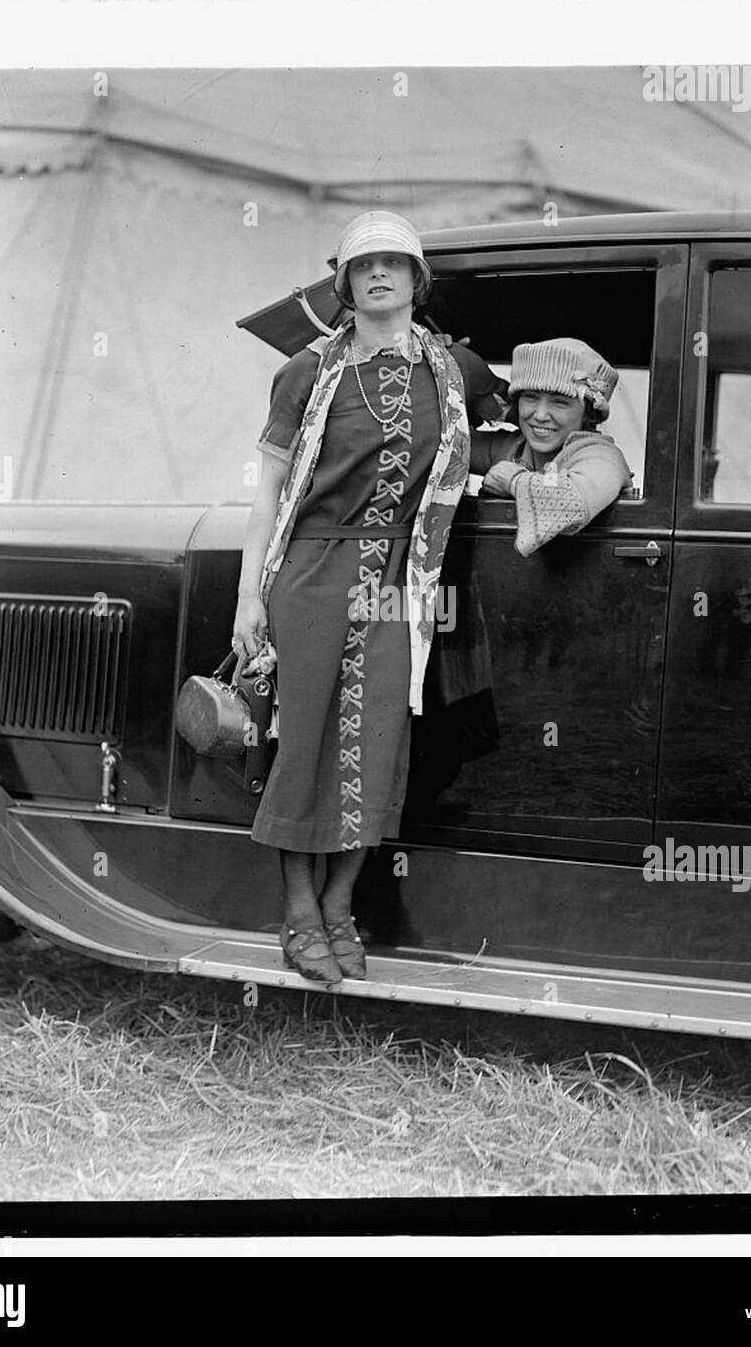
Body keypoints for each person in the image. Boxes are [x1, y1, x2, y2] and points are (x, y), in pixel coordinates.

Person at [233, 211, 507, 985]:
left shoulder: (456, 371)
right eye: (363, 266)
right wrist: (249, 599)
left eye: (394, 263)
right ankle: (299, 915)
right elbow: (269, 495)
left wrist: (552, 469)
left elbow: (521, 430)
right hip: (311, 573)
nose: (379, 275)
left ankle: (342, 906)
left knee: (378, 744)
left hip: (398, 580)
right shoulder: (307, 373)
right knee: (305, 743)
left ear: (418, 281)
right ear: (345, 283)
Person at [469, 337, 633, 553]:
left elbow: (568, 502)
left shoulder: (602, 456)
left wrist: (513, 480)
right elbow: (430, 446)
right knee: (442, 590)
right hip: (499, 583)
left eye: (560, 402)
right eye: (531, 397)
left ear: (589, 413)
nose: (540, 415)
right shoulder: (514, 445)